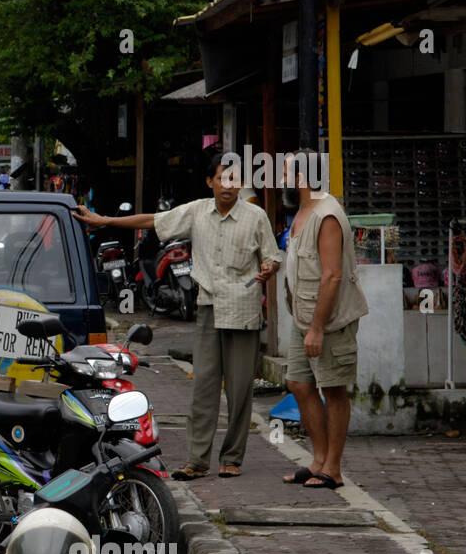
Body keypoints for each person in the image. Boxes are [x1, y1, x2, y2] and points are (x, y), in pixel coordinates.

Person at [73, 152, 282, 479]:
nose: (228, 186)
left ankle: (232, 458)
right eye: (221, 178)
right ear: (209, 182)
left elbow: (271, 257)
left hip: (242, 310)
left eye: (234, 179)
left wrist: (269, 269)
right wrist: (105, 221)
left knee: (240, 390)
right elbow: (153, 221)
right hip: (208, 308)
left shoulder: (256, 216)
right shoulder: (197, 211)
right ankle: (197, 460)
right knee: (203, 388)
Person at [281, 168, 369, 490]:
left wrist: (317, 328)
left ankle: (333, 469)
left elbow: (331, 276)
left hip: (329, 320)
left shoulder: (328, 214)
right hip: (302, 316)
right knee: (298, 383)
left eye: (288, 173)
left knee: (333, 390)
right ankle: (318, 460)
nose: (281, 180)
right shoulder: (303, 210)